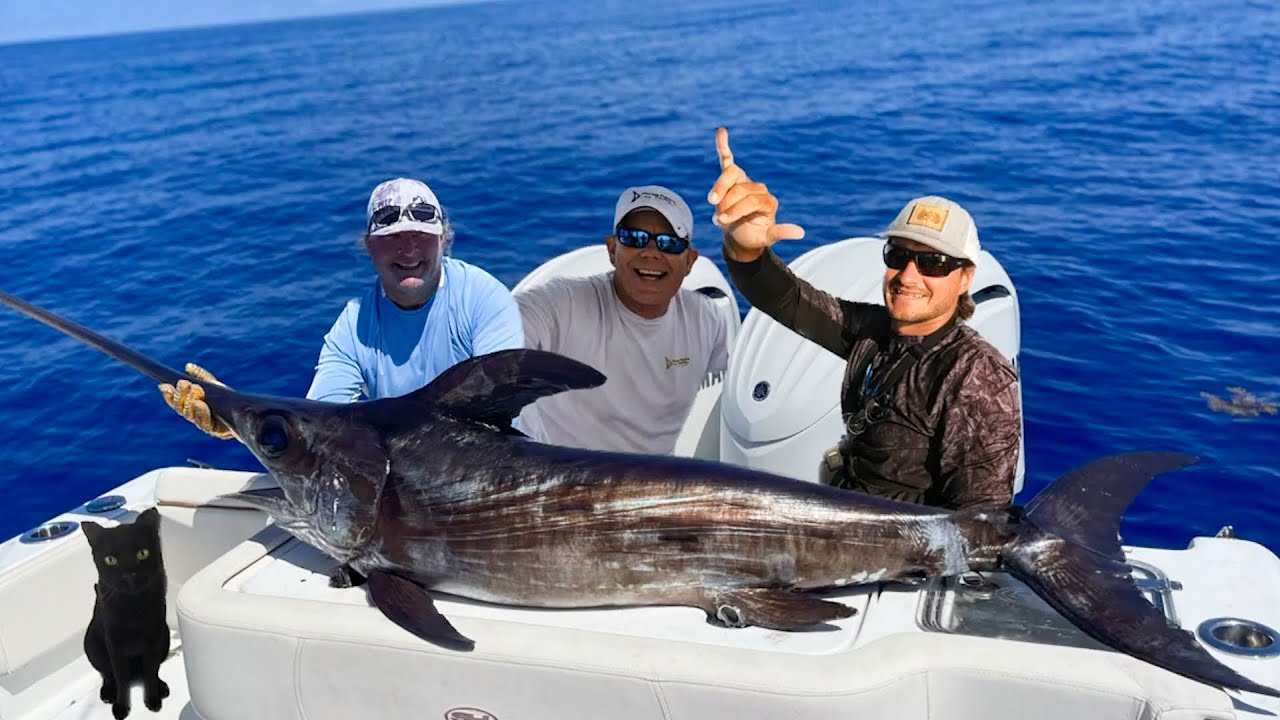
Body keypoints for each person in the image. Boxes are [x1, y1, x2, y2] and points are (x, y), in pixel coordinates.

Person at [709, 127, 1020, 509]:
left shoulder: (976, 375)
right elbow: (789, 301)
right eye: (897, 255)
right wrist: (744, 248)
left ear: (965, 278)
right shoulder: (874, 332)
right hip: (844, 522)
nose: (908, 276)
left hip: (903, 560)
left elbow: (980, 521)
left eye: (933, 263)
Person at [161, 177, 524, 438]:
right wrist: (236, 420)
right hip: (414, 481)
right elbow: (318, 427)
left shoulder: (485, 300)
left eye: (421, 236)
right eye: (392, 238)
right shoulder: (352, 329)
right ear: (369, 247)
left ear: (443, 240)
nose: (408, 250)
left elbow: (498, 413)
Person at [516, 185, 731, 455]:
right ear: (612, 249)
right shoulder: (560, 304)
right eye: (635, 238)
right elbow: (507, 329)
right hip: (561, 485)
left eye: (669, 243)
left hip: (656, 486)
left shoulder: (707, 319)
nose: (651, 252)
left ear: (689, 261)